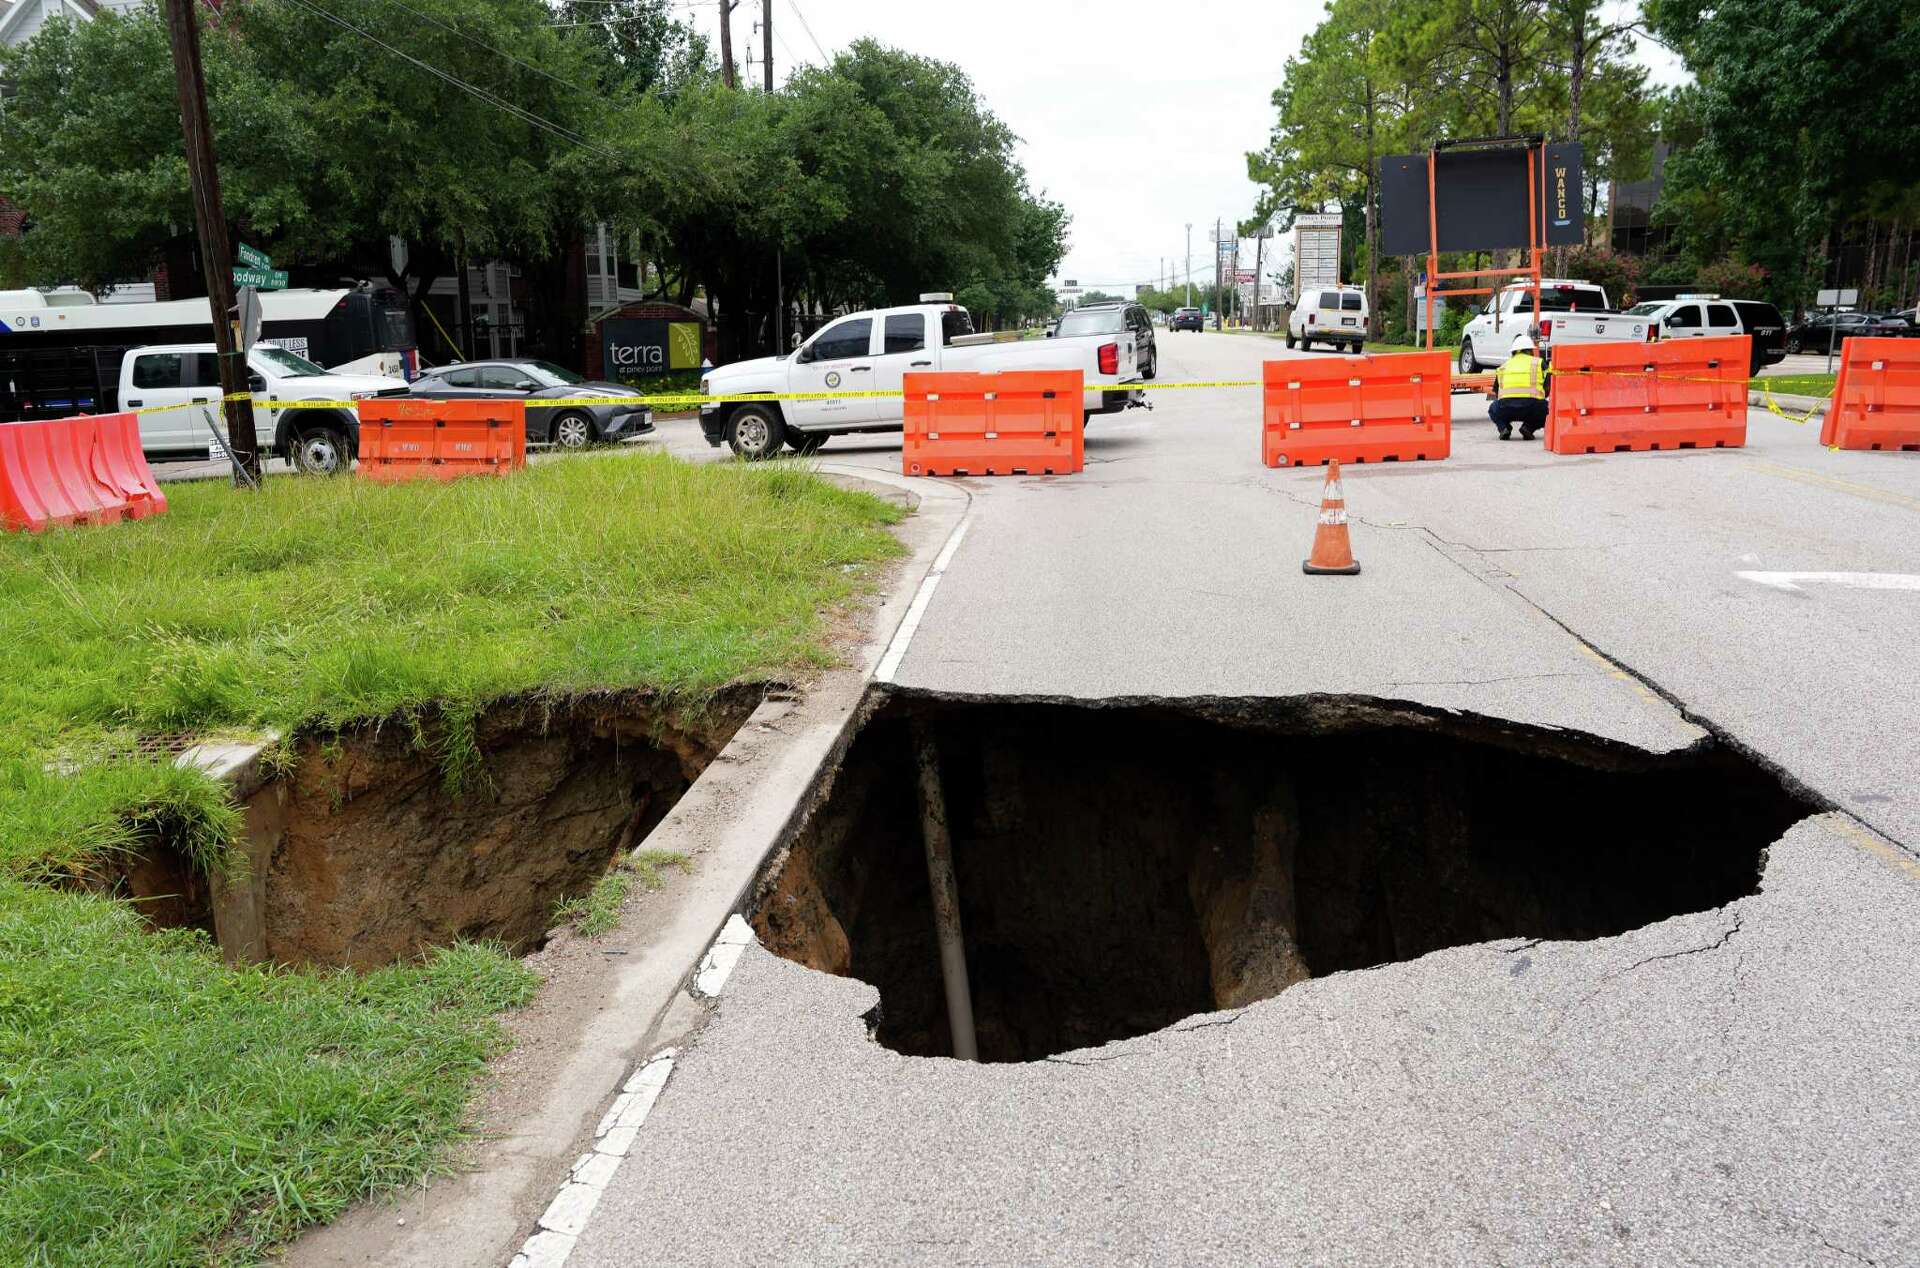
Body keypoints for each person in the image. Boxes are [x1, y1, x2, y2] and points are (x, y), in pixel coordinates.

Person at [1489, 333, 1548, 441]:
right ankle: (1528, 428)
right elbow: (1548, 386)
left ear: (1513, 351)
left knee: (1493, 408)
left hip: (1506, 408)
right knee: (1548, 408)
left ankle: (1504, 428)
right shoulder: (1539, 363)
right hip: (1532, 407)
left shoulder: (1503, 366)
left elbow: (1497, 393)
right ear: (1530, 350)